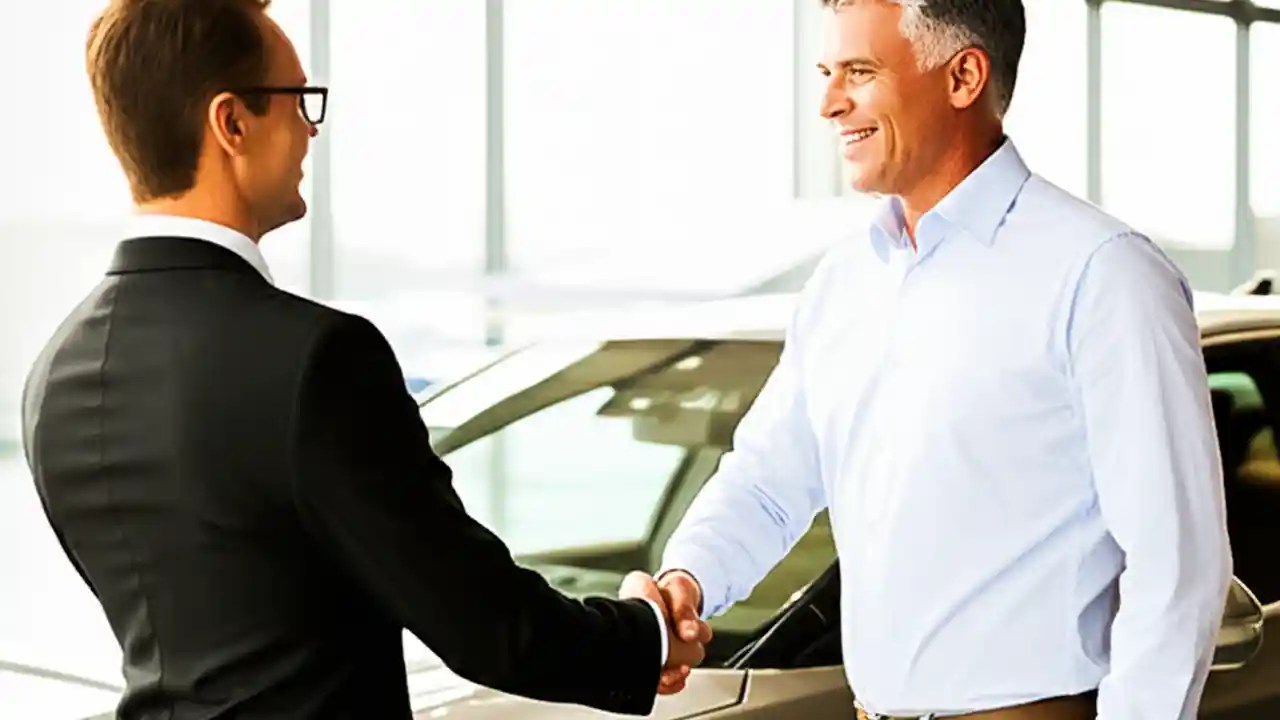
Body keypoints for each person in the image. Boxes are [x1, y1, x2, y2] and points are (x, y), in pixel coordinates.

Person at [21, 1, 708, 717]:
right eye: (297, 100)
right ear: (231, 124)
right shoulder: (315, 360)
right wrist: (646, 632)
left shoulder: (55, 375)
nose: (311, 128)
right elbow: (485, 625)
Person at [620, 1, 1232, 718]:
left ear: (964, 75)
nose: (827, 103)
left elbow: (1176, 566)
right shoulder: (845, 281)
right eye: (827, 72)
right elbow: (767, 480)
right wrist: (688, 581)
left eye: (859, 71)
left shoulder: (1103, 275)